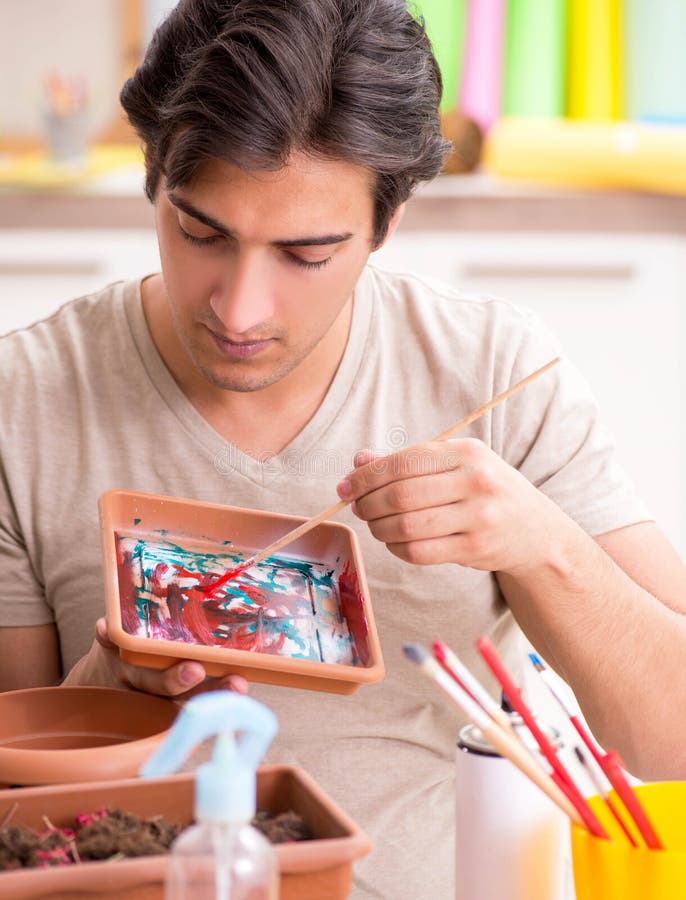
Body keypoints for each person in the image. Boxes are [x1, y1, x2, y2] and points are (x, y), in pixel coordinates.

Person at [1, 1, 686, 896]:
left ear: (385, 224)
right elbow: (14, 791)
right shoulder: (26, 398)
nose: (239, 310)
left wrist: (540, 541)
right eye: (203, 232)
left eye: (307, 254)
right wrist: (111, 681)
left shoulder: (494, 370)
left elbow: (669, 740)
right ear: (150, 177)